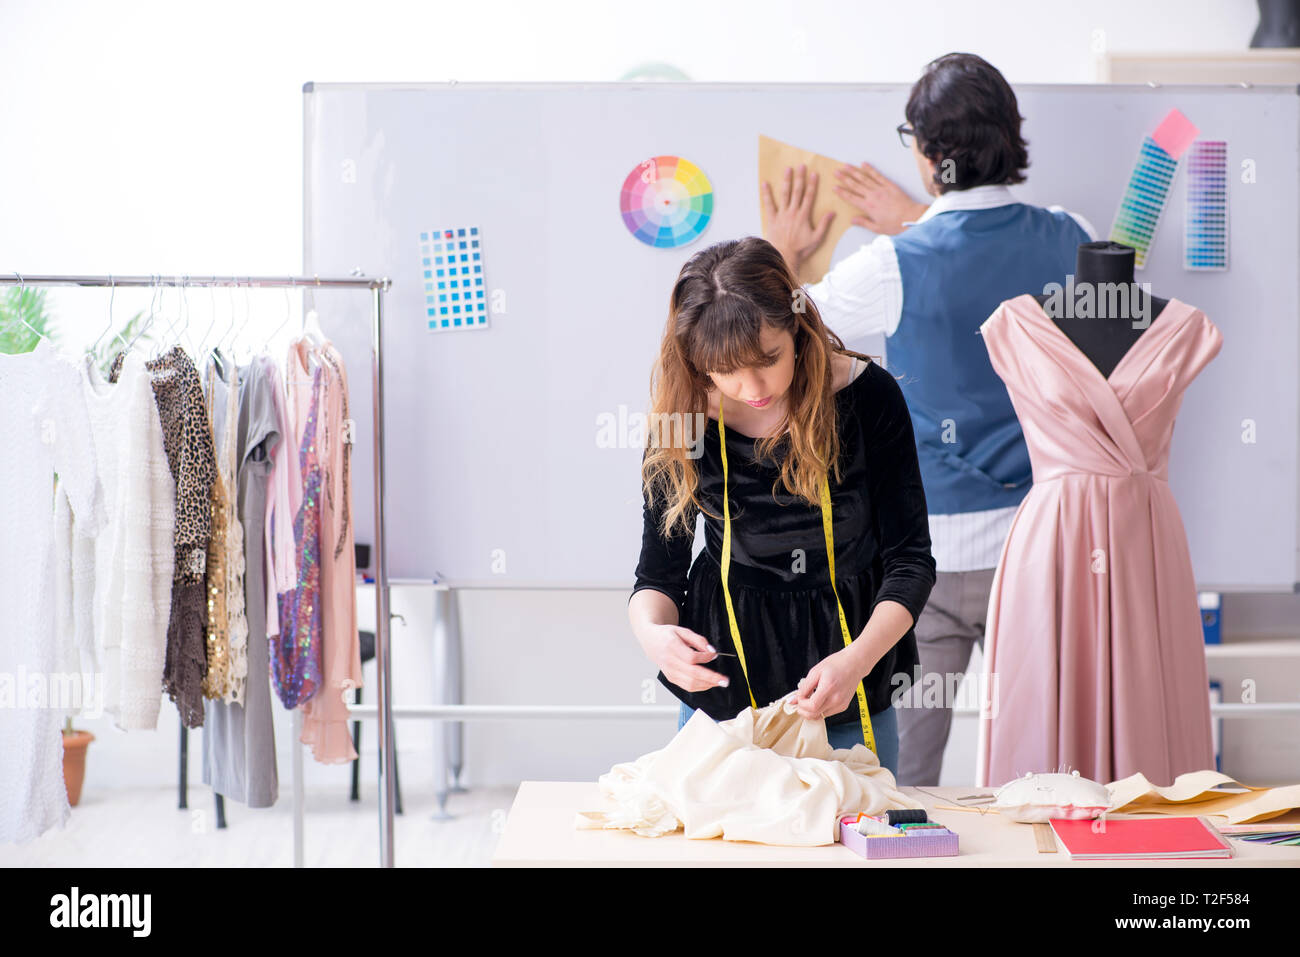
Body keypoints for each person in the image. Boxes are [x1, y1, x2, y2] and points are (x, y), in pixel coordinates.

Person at [763, 52, 1096, 786]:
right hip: (1043, 546)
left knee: (904, 776)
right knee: (1048, 769)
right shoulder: (1075, 235)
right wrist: (919, 217)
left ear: (928, 153)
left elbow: (780, 331)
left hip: (928, 564)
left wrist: (785, 254)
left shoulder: (891, 265)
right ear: (1011, 137)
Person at [627, 236, 936, 778]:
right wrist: (653, 636)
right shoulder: (683, 422)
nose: (752, 388)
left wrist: (856, 662)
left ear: (797, 326)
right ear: (696, 362)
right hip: (723, 692)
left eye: (767, 359)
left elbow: (910, 562)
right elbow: (657, 575)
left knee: (855, 846)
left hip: (846, 681)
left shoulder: (868, 397)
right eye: (724, 370)